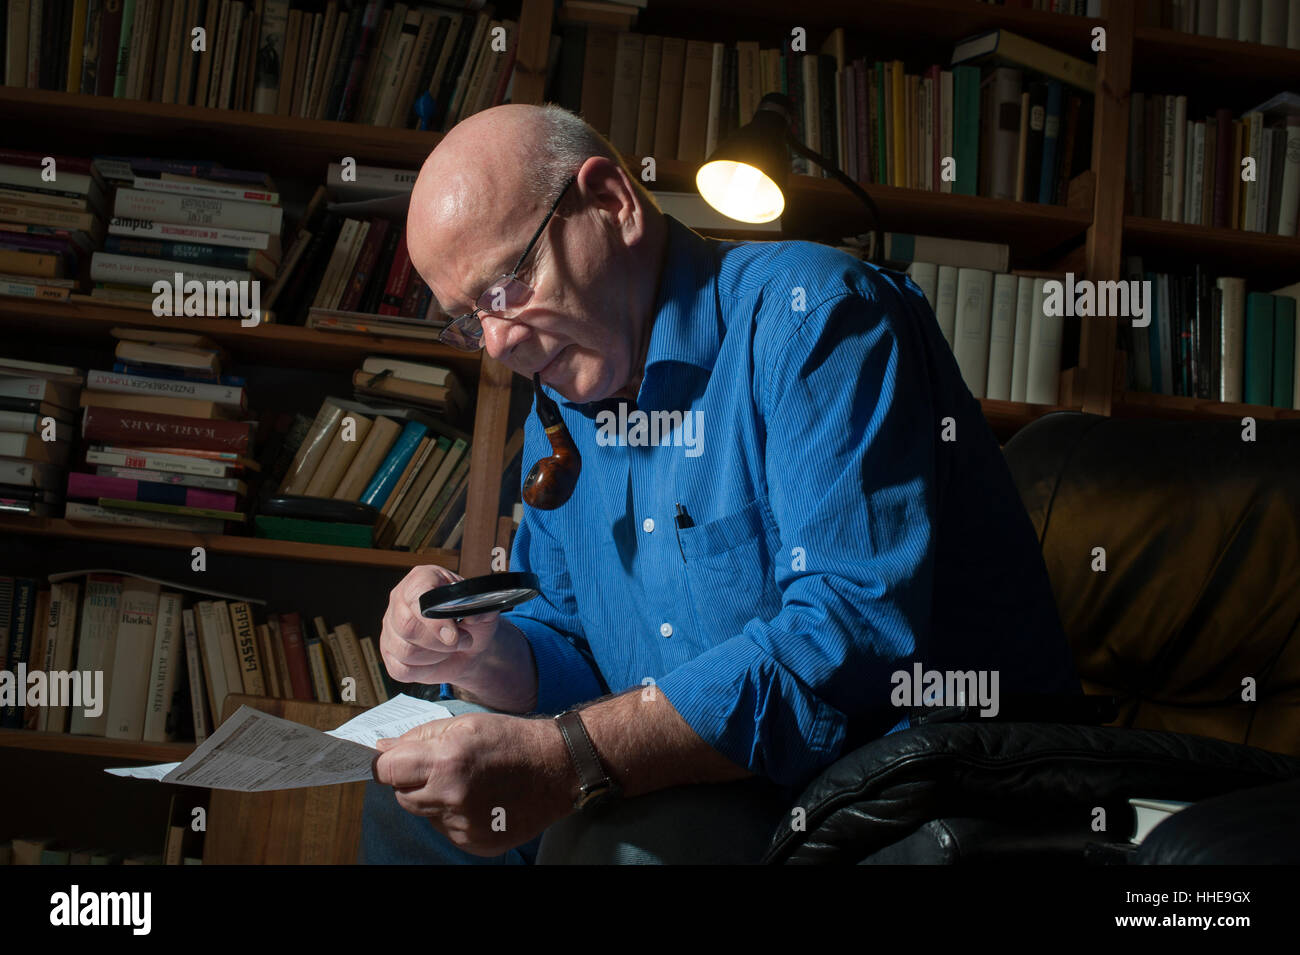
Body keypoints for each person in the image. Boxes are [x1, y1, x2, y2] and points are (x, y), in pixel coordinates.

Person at [361, 103, 1079, 865]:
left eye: (506, 284)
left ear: (612, 202)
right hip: (700, 775)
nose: (499, 342)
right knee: (407, 806)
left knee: (615, 844)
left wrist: (569, 756)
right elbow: (577, 647)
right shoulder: (561, 405)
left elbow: (846, 641)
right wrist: (478, 652)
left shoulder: (817, 318)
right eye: (470, 321)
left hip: (898, 777)